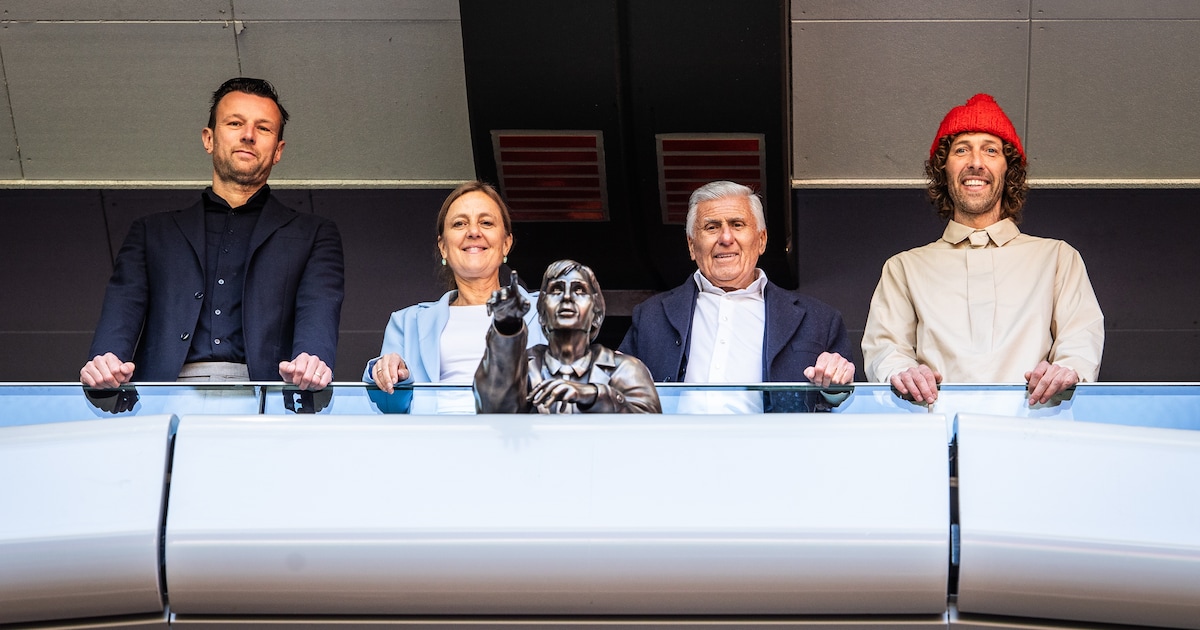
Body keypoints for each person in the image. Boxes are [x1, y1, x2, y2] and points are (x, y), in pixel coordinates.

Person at [80, 77, 344, 391]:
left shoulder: (314, 234)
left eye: (263, 128)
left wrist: (311, 361)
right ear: (209, 139)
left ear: (278, 150)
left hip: (268, 397)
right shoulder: (152, 232)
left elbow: (318, 312)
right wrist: (105, 362)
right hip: (165, 397)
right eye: (235, 123)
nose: (248, 135)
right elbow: (122, 310)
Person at [862, 93, 1104, 405]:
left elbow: (1080, 344)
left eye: (990, 151)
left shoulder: (1058, 258)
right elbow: (886, 350)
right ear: (944, 169)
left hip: (1036, 436)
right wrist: (901, 372)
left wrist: (1067, 371)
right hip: (937, 440)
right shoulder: (904, 267)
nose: (976, 163)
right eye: (962, 150)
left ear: (1008, 170)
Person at [618, 181, 853, 413]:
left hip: (771, 448)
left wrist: (836, 385)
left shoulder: (819, 320)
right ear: (692, 245)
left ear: (761, 240)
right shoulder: (650, 316)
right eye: (711, 227)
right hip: (676, 447)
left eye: (737, 224)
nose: (726, 238)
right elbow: (617, 390)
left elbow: (843, 402)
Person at [365, 181, 545, 413]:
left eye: (486, 222)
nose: (473, 232)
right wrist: (386, 374)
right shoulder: (407, 322)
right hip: (439, 443)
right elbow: (389, 407)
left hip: (519, 442)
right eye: (460, 223)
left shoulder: (545, 311)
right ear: (443, 247)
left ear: (506, 244)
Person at [475, 260, 660, 414]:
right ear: (541, 314)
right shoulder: (522, 367)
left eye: (579, 290)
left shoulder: (626, 369)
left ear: (596, 314)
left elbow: (652, 432)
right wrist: (508, 327)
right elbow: (493, 411)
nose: (567, 297)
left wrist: (595, 395)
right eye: (556, 290)